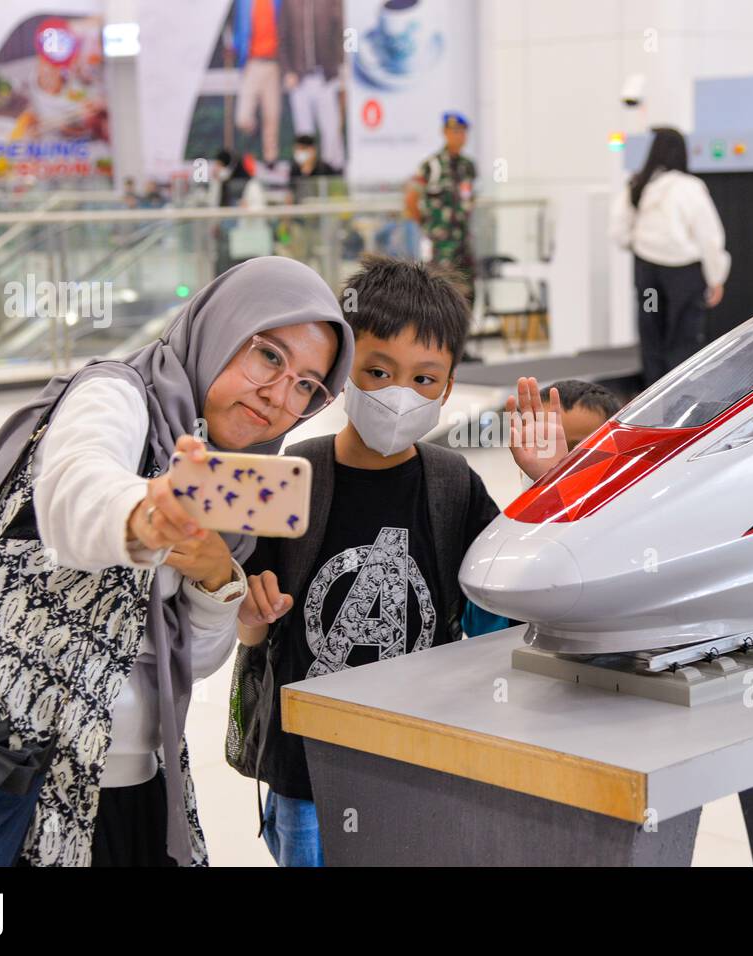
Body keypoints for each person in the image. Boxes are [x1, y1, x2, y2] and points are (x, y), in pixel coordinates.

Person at [0, 257, 354, 866]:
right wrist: (145, 514)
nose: (280, 394)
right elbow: (73, 490)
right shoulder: (119, 394)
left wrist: (213, 577)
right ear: (223, 327)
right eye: (269, 355)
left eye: (308, 385)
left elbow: (194, 662)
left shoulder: (231, 483)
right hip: (0, 772)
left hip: (134, 781)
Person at [235, 255, 533, 867]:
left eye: (425, 379)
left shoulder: (454, 485)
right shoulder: (293, 476)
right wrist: (249, 608)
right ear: (345, 370)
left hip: (419, 760)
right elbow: (250, 622)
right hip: (308, 770)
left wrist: (545, 488)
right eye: (377, 370)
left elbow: (516, 596)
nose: (401, 395)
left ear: (448, 388)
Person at [609, 126, 730, 387]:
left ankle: (651, 398)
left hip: (649, 275)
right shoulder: (690, 187)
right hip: (684, 278)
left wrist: (639, 244)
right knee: (683, 336)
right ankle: (681, 398)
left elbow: (618, 231)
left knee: (651, 330)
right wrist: (716, 276)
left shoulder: (637, 185)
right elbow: (709, 236)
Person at [405, 113, 478, 304]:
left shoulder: (468, 167)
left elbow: (470, 198)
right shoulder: (432, 166)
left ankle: (465, 333)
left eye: (463, 132)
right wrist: (426, 224)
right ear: (444, 133)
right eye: (455, 131)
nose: (459, 136)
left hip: (463, 241)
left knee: (468, 293)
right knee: (441, 293)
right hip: (440, 245)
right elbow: (411, 199)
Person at [232, 0, 282, 168]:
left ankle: (270, 160)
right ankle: (254, 134)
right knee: (243, 117)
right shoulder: (243, 2)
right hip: (252, 63)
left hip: (274, 63)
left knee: (272, 115)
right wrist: (237, 49)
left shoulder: (278, 2)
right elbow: (239, 27)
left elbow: (285, 26)